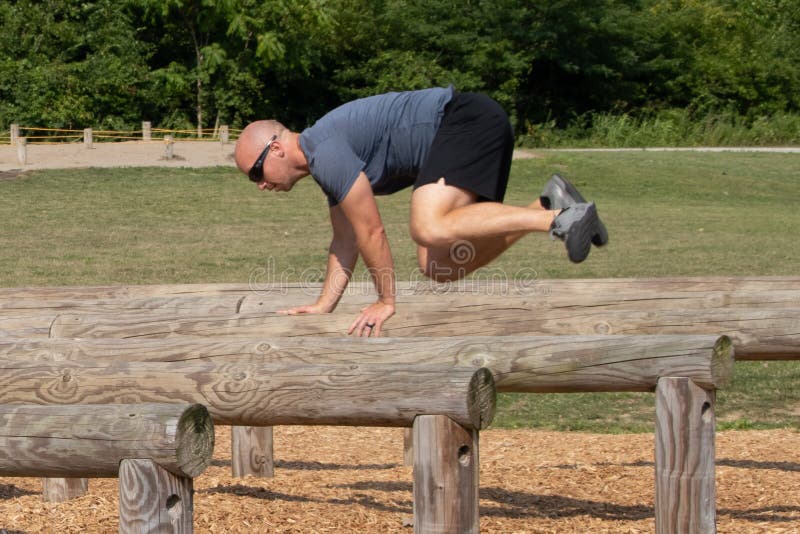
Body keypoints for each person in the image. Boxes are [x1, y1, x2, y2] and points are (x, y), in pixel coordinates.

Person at [234, 87, 607, 336]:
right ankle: (548, 205)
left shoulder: (323, 150)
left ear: (277, 149)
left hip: (465, 120)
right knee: (440, 265)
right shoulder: (323, 164)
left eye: (256, 172)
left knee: (427, 225)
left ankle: (560, 219)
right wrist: (322, 306)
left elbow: (372, 233)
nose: (260, 185)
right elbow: (345, 240)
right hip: (468, 130)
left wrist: (386, 301)